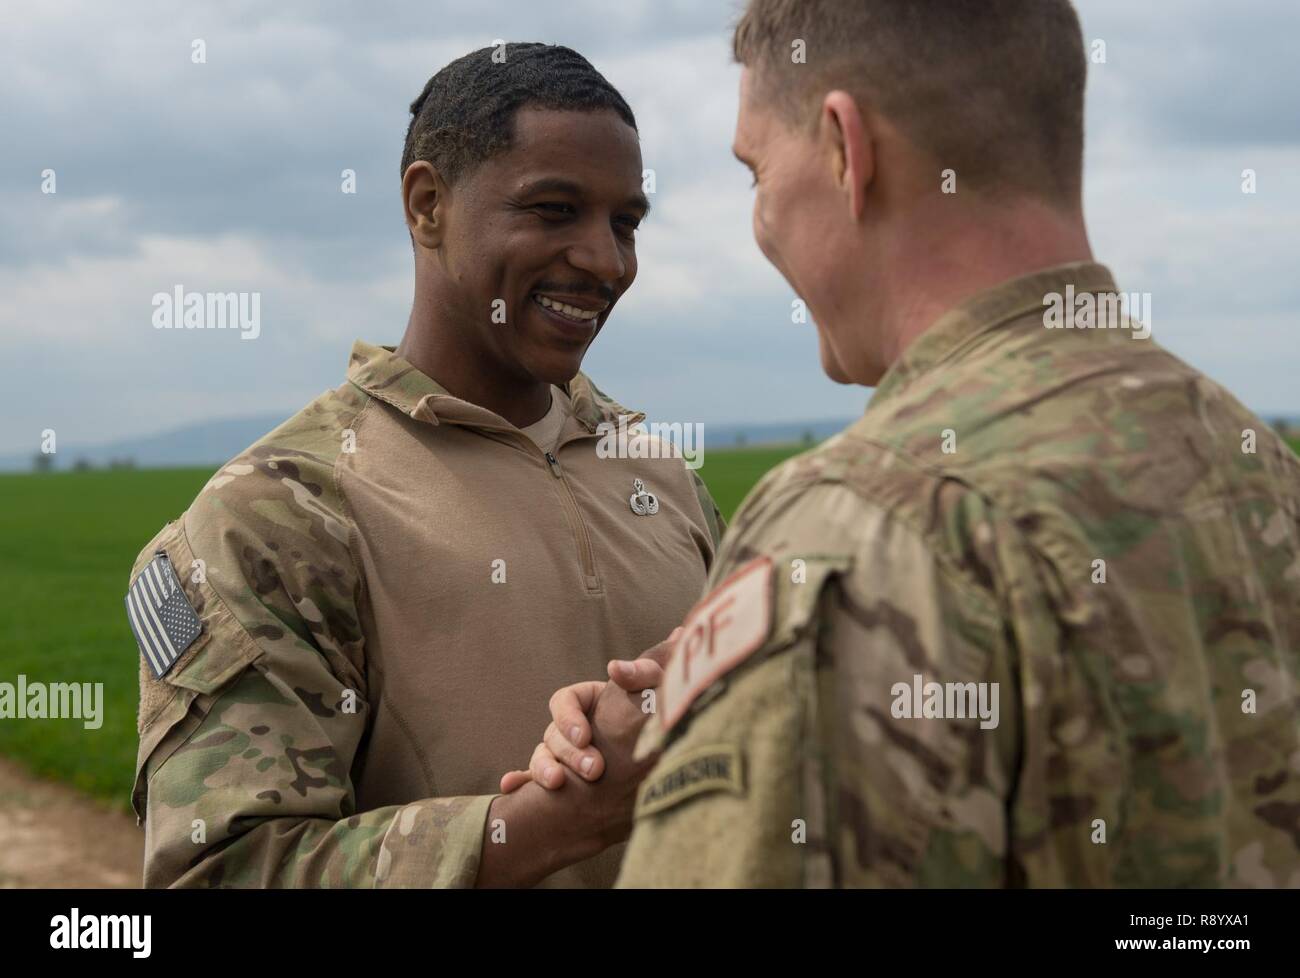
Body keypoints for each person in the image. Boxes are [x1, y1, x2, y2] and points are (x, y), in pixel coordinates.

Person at [518, 0, 1300, 887]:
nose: (762, 220)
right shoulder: (1254, 460)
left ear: (848, 150)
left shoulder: (859, 526)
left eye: (756, 172)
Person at [124, 42, 722, 889]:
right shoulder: (282, 511)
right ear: (427, 203)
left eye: (625, 223)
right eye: (555, 211)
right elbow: (220, 870)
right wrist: (544, 824)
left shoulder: (662, 475)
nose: (606, 261)